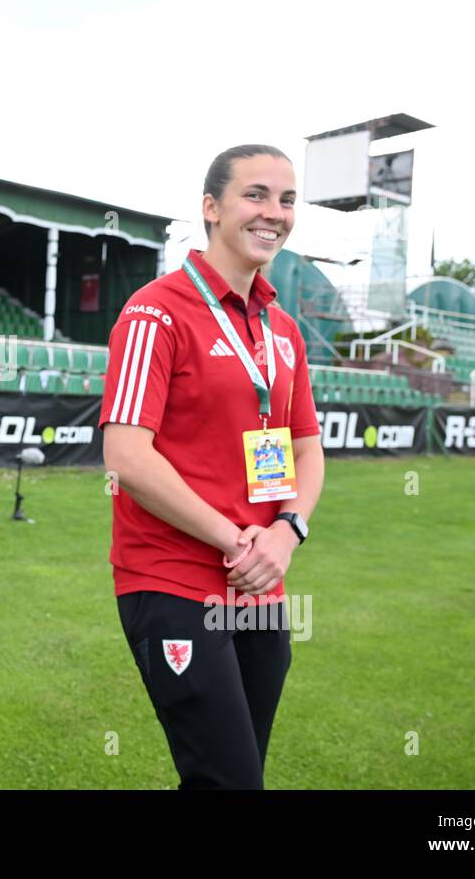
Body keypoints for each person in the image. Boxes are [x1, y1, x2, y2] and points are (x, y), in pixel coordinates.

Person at [100, 144, 325, 789]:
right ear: (211, 208)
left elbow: (307, 450)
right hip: (172, 580)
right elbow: (126, 457)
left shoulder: (284, 328)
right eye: (256, 195)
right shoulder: (155, 311)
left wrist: (286, 534)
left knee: (232, 778)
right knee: (229, 780)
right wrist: (237, 540)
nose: (274, 213)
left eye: (286, 199)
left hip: (259, 586)